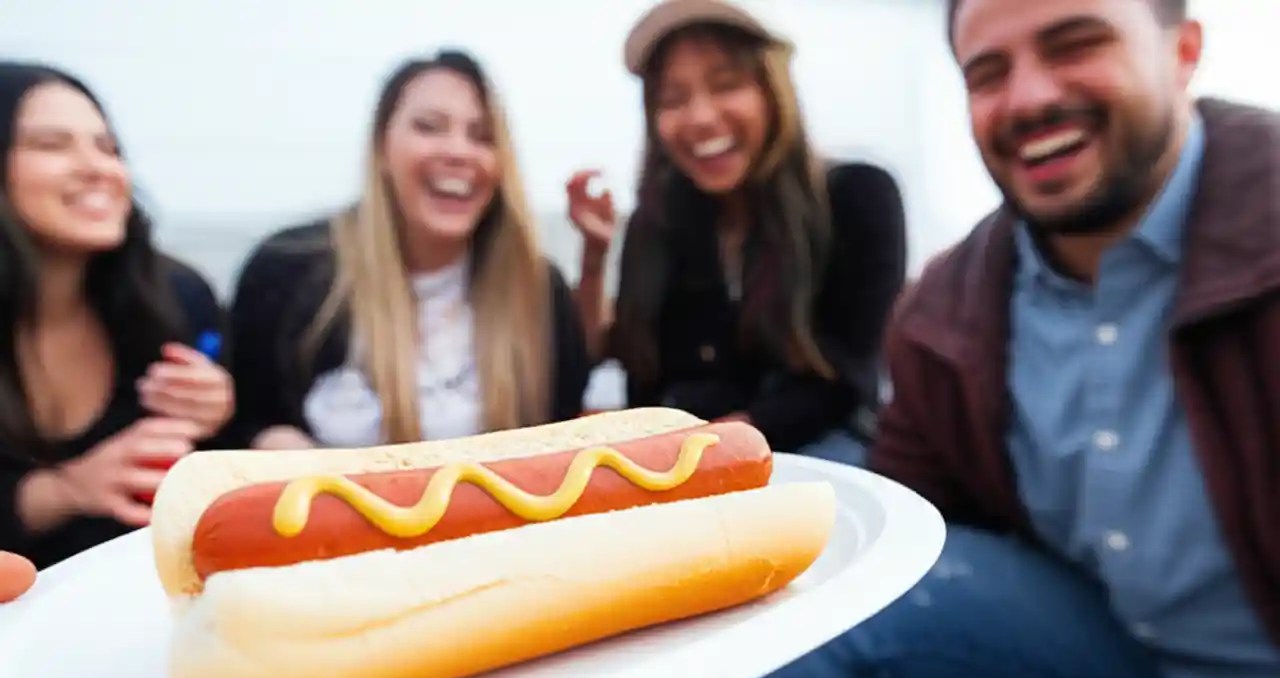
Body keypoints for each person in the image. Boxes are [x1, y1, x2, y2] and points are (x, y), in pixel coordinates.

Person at [745, 0, 1280, 678]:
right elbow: (902, 525)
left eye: (1075, 45)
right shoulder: (944, 314)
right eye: (988, 74)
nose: (1029, 99)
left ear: (1183, 52)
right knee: (825, 610)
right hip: (1111, 664)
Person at [567, 0, 907, 465]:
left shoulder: (858, 196)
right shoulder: (655, 222)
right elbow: (610, 353)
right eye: (673, 98)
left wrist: (711, 451)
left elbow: (845, 381)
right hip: (676, 463)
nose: (701, 117)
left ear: (772, 91)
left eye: (726, 85)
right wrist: (594, 255)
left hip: (813, 453)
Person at [229, 50, 591, 450]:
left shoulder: (537, 288)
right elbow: (244, 419)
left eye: (482, 136)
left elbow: (565, 425)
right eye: (429, 127)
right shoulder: (285, 270)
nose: (458, 151)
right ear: (382, 148)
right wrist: (274, 445)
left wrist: (594, 261)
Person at [0, 62, 233, 570]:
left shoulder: (178, 297)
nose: (97, 168)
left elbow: (224, 478)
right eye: (52, 145)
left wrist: (220, 414)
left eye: (107, 148)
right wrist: (63, 490)